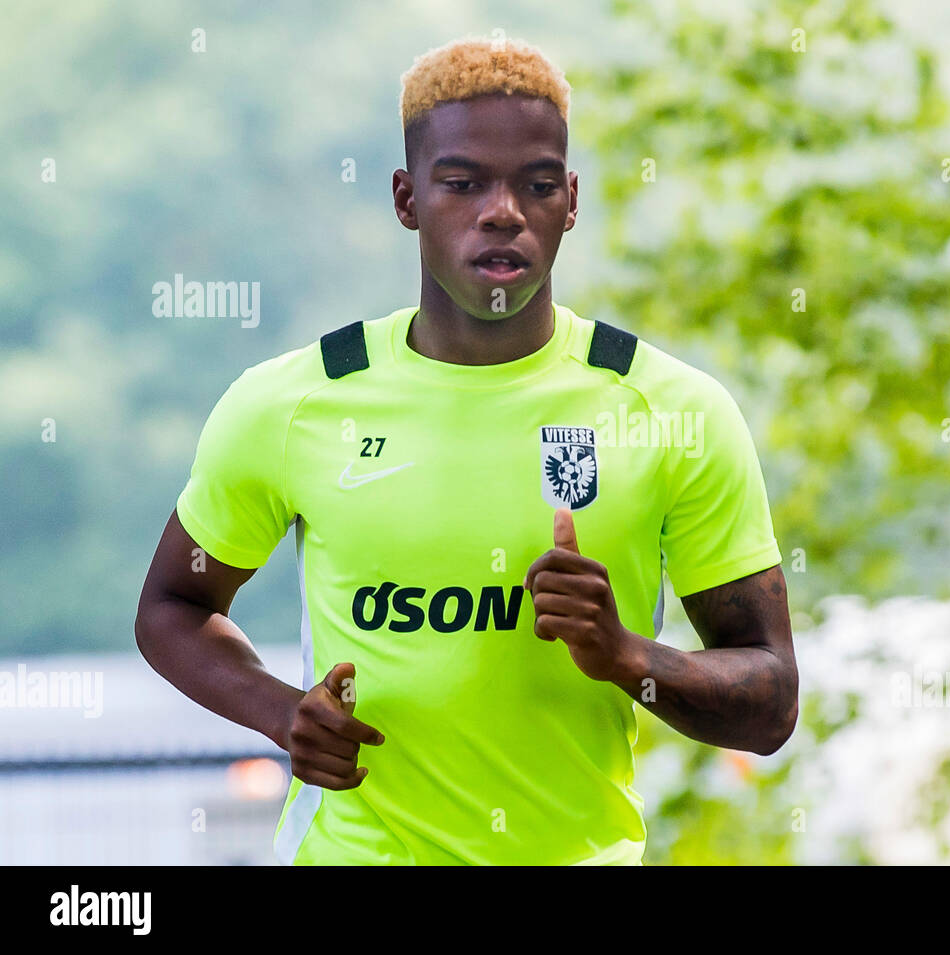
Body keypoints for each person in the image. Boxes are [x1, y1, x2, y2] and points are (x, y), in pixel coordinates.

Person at [135, 34, 797, 865]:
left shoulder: (671, 410)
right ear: (408, 198)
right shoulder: (293, 402)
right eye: (463, 183)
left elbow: (771, 703)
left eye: (537, 184)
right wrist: (281, 712)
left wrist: (627, 655)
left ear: (572, 200)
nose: (503, 211)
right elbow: (172, 609)